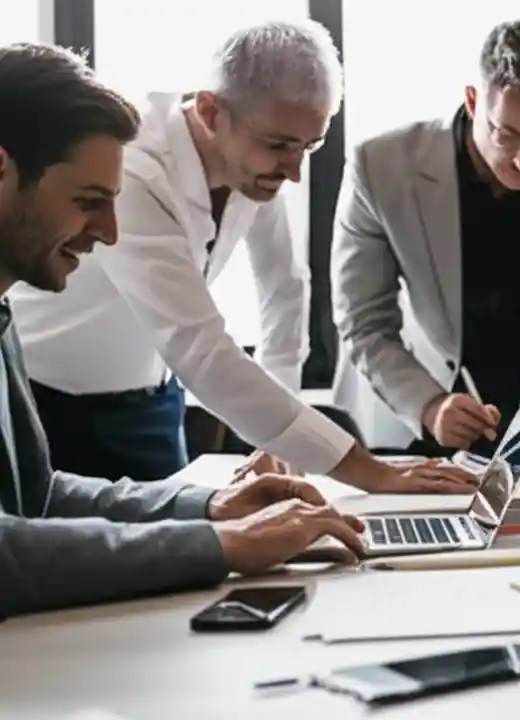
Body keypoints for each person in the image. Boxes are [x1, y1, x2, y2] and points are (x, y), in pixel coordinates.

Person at [8, 21, 474, 494]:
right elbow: (201, 348)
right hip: (48, 403)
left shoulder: (254, 169)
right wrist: (369, 470)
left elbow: (285, 292)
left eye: (308, 148)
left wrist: (280, 442)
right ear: (211, 111)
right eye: (280, 146)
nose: (294, 171)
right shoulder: (136, 168)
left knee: (177, 546)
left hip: (152, 403)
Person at [0, 42, 369, 618]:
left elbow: (37, 497)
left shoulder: (2, 323)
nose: (110, 234)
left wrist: (209, 508)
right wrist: (224, 544)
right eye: (88, 201)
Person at [331, 12, 520, 457]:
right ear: (473, 101)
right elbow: (364, 322)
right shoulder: (382, 167)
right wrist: (430, 405)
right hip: (409, 428)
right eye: (509, 135)